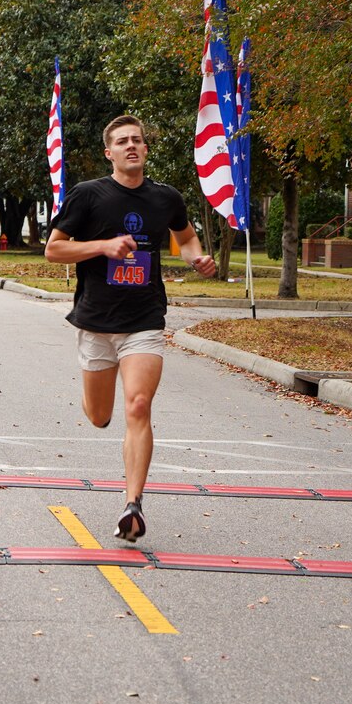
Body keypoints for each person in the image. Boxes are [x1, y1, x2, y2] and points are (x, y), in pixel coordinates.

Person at [45, 114, 217, 543]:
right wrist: (103, 246)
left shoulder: (165, 198)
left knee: (138, 405)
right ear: (110, 152)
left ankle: (133, 504)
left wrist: (197, 257)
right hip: (96, 322)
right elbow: (54, 250)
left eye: (137, 139)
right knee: (100, 415)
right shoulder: (88, 195)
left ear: (145, 148)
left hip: (144, 320)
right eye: (122, 141)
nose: (131, 146)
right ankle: (94, 407)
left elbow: (187, 237)